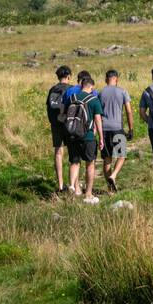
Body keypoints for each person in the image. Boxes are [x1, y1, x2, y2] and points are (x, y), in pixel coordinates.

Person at [61, 70, 104, 203]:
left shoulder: (72, 98)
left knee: (74, 162)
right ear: (91, 87)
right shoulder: (94, 100)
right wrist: (101, 138)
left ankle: (73, 187)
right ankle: (89, 194)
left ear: (81, 85)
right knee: (90, 164)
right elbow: (98, 120)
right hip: (88, 136)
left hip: (72, 134)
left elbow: (65, 114)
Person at [98, 69, 134, 193]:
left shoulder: (101, 93)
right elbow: (129, 111)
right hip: (118, 128)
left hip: (104, 129)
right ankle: (114, 175)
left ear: (106, 79)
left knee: (107, 159)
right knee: (121, 155)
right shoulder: (122, 91)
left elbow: (98, 113)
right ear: (116, 79)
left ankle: (110, 190)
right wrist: (131, 129)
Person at [45, 65, 73, 195]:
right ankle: (73, 184)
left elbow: (48, 109)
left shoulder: (52, 90)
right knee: (73, 153)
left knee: (58, 152)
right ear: (68, 76)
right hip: (69, 124)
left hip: (55, 124)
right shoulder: (71, 89)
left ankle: (60, 185)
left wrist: (53, 122)